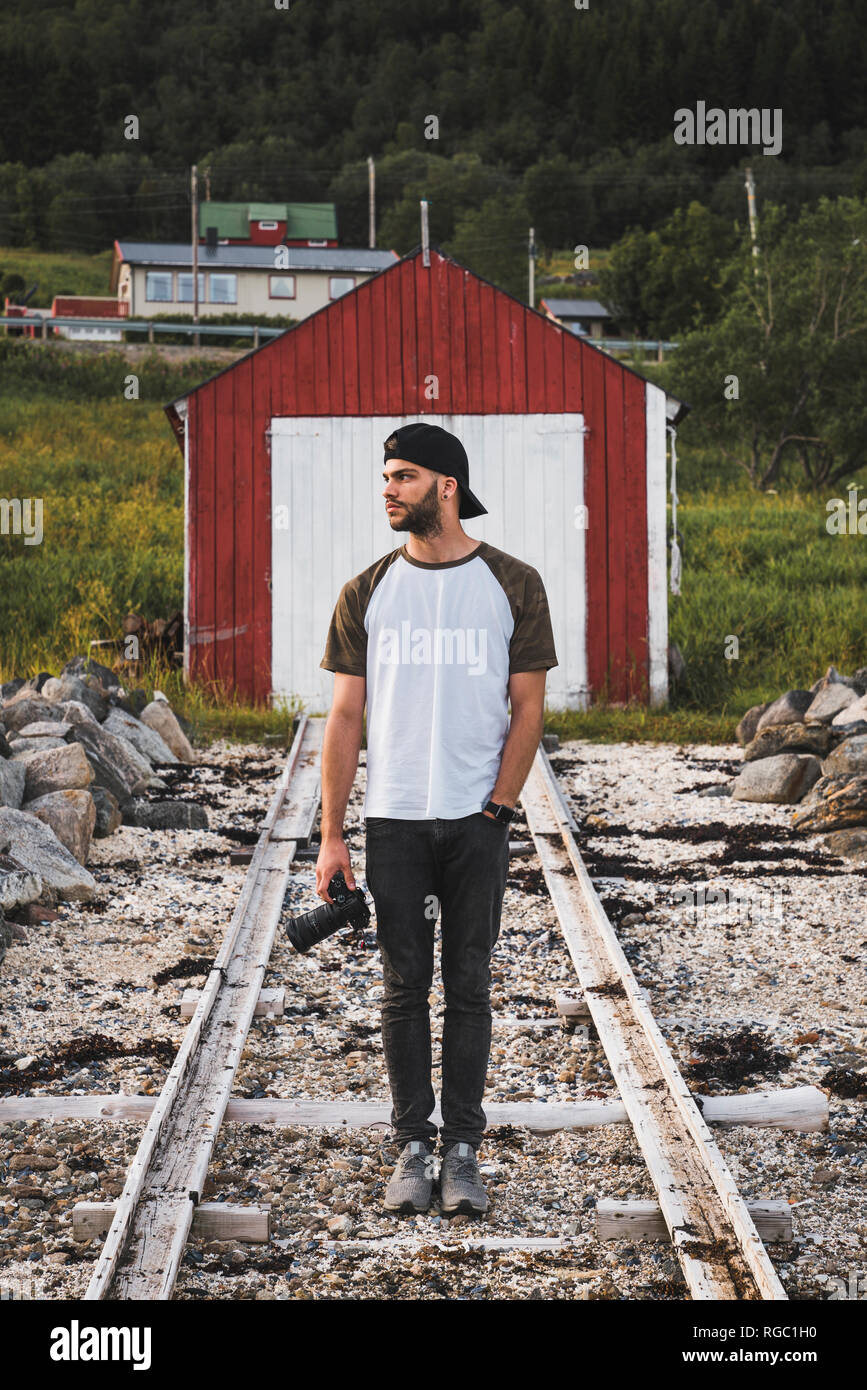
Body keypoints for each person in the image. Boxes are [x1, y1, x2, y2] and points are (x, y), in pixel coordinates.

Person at [316, 421, 558, 1217]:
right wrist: (330, 834)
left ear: (445, 487)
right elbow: (344, 719)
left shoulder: (513, 583)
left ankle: (463, 1153)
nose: (388, 489)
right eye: (387, 477)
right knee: (401, 989)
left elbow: (528, 708)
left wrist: (499, 805)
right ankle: (411, 1149)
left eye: (405, 476)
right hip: (394, 822)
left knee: (469, 986)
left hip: (474, 822)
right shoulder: (365, 591)